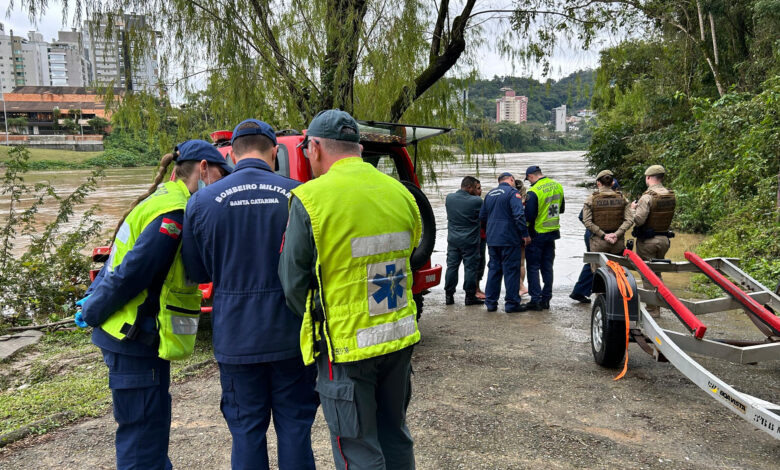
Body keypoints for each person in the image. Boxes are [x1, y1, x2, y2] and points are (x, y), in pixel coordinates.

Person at [279, 109, 421, 470]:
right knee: (395, 434)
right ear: (358, 147)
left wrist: (320, 317)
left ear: (313, 147)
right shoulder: (402, 193)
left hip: (345, 347)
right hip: (399, 337)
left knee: (356, 446)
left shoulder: (310, 199)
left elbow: (293, 281)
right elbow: (412, 251)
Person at [76, 140, 231, 470]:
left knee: (152, 425)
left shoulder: (162, 199)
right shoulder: (173, 214)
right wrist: (92, 311)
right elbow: (132, 272)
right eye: (221, 173)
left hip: (141, 336)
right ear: (203, 169)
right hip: (132, 336)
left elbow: (119, 263)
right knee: (143, 437)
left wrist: (93, 298)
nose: (223, 181)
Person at [180, 120, 319, 470]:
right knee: (295, 428)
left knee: (246, 432)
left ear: (233, 153)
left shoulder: (201, 202)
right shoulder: (301, 194)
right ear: (274, 152)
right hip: (291, 334)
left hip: (236, 336)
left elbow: (197, 273)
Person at [479, 172, 531, 313]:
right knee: (511, 271)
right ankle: (512, 304)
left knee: (494, 270)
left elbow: (482, 216)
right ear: (511, 180)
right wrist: (525, 234)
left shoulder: (490, 194)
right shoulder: (512, 193)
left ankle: (491, 303)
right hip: (509, 238)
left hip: (493, 239)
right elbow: (519, 214)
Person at [631, 164, 676, 317]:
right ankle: (659, 305)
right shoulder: (670, 194)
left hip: (648, 241)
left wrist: (632, 209)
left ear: (648, 177)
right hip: (664, 240)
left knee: (647, 275)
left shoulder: (647, 197)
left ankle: (653, 309)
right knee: (657, 273)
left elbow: (638, 220)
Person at [570, 177, 623, 303]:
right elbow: (583, 217)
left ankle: (582, 291)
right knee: (596, 263)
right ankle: (589, 292)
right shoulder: (601, 198)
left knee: (594, 262)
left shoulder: (597, 198)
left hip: (594, 234)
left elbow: (582, 217)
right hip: (596, 236)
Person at [521, 165, 565, 311]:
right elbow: (562, 209)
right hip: (552, 233)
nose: (529, 182)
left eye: (528, 180)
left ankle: (535, 300)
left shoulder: (534, 191)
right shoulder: (557, 186)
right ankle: (546, 299)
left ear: (531, 176)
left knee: (533, 267)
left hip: (536, 234)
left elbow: (529, 216)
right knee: (547, 267)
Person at [444, 176, 485, 306]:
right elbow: (484, 217)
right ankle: (469, 296)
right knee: (470, 268)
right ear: (469, 187)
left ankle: (449, 296)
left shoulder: (449, 198)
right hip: (470, 241)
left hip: (453, 240)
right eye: (474, 187)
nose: (476, 190)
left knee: (452, 266)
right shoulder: (476, 201)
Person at [582, 170, 633, 265]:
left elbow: (587, 222)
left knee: (598, 275)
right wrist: (616, 234)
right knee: (617, 274)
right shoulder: (622, 198)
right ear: (612, 182)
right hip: (617, 243)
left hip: (598, 243)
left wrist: (604, 235)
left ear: (598, 183)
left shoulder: (591, 199)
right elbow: (629, 220)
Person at [514, 178, 529, 297]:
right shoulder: (527, 199)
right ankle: (521, 286)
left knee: (512, 262)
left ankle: (521, 287)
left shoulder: (513, 199)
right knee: (521, 263)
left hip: (515, 234)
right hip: (526, 232)